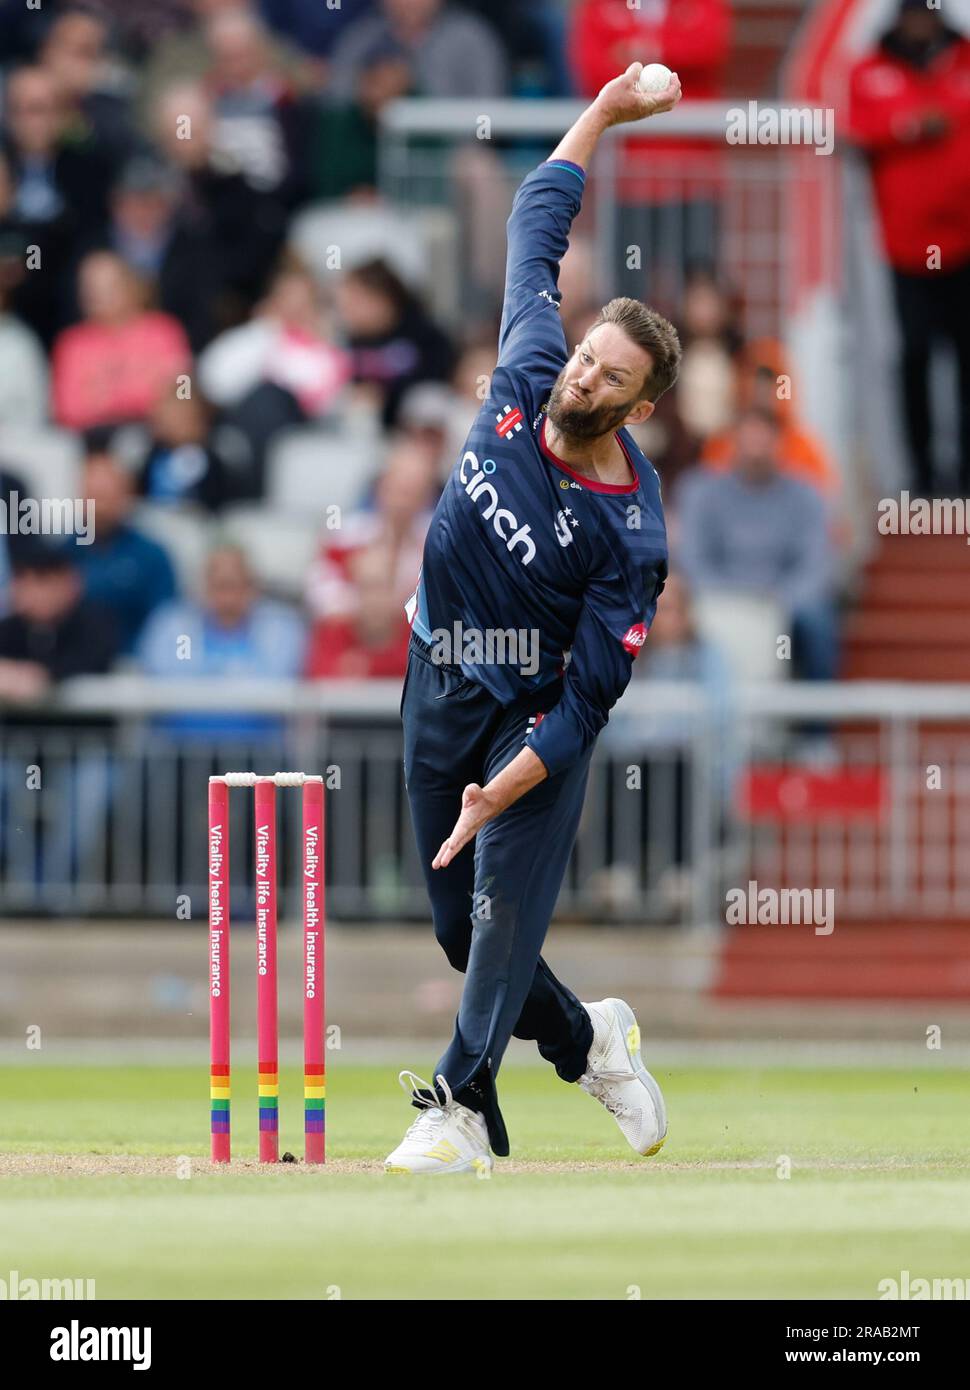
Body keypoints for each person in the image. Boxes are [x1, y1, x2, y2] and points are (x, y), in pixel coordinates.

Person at [387, 65, 682, 1175]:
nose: (582, 378)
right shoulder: (523, 366)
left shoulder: (631, 534)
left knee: (500, 910)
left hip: (532, 714)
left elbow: (588, 701)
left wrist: (500, 788)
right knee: (458, 929)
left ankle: (458, 1110)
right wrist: (601, 111)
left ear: (638, 408)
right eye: (586, 356)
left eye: (610, 380)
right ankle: (590, 1037)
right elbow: (535, 220)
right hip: (435, 669)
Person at [848, 0, 970, 495]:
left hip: (965, 244)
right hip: (904, 248)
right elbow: (861, 129)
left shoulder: (963, 62)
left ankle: (964, 472)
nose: (921, 22)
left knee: (965, 358)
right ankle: (922, 473)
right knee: (914, 356)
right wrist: (917, 125)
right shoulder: (871, 69)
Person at [676, 409, 839, 682]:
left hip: (784, 599)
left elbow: (815, 562)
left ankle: (815, 720)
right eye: (749, 442)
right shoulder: (701, 491)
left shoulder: (806, 495)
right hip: (717, 597)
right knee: (666, 615)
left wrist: (781, 599)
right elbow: (692, 558)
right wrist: (730, 596)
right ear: (733, 444)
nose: (756, 453)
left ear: (780, 445)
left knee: (817, 623)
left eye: (763, 444)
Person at [71, 443, 178, 653]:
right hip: (73, 666)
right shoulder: (62, 554)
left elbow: (165, 623)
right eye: (91, 496)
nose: (98, 507)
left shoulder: (152, 556)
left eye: (105, 497)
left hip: (135, 668)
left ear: (127, 497)